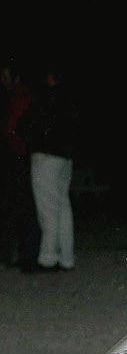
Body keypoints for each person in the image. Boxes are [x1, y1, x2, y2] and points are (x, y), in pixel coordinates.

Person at [20, 68, 79, 271]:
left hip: (46, 156)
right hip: (65, 157)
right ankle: (67, 257)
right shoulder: (70, 98)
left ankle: (47, 258)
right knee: (63, 206)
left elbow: (24, 123)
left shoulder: (45, 99)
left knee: (47, 208)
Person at [2, 64, 40, 270]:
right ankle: (16, 254)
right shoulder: (12, 97)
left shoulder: (23, 97)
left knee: (25, 206)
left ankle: (29, 255)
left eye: (6, 76)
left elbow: (13, 128)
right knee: (14, 207)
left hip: (21, 156)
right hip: (14, 155)